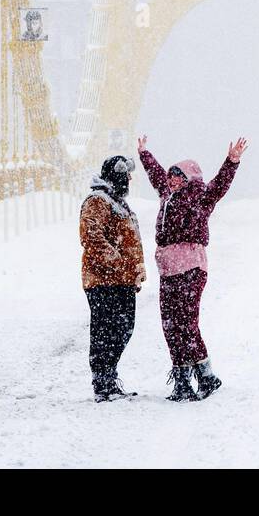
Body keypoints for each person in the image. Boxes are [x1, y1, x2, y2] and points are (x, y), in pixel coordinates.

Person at [137, 133, 246, 401]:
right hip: (168, 270)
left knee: (187, 324)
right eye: (171, 176)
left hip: (191, 268)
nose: (172, 180)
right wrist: (144, 154)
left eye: (177, 176)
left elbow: (220, 184)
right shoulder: (166, 193)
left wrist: (231, 161)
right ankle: (185, 381)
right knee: (170, 325)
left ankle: (206, 376)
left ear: (188, 179)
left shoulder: (200, 196)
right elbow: (155, 173)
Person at [79, 154, 145, 402]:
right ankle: (102, 383)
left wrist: (136, 270)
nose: (129, 179)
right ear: (116, 174)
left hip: (122, 280)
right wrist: (118, 263)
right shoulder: (98, 200)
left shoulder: (118, 202)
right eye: (126, 175)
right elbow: (91, 237)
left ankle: (109, 377)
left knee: (124, 328)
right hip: (102, 280)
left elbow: (131, 240)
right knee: (105, 331)